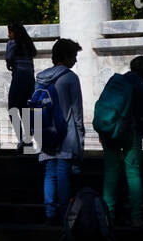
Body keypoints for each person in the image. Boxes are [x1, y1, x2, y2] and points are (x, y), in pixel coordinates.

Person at [99, 55, 143, 228]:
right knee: (133, 174)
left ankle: (108, 215)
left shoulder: (115, 81)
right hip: (131, 133)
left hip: (110, 131)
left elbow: (104, 105)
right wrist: (142, 133)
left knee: (111, 172)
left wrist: (104, 130)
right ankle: (136, 217)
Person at [35, 38, 85, 224]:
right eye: (74, 55)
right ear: (65, 56)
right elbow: (77, 111)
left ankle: (49, 212)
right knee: (63, 171)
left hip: (46, 130)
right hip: (66, 133)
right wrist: (80, 135)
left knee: (50, 172)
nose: (76, 60)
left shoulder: (40, 78)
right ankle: (65, 211)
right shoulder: (71, 78)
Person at [5, 23, 38, 152]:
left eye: (10, 32)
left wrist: (9, 63)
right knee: (25, 109)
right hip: (30, 79)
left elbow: (8, 58)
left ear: (14, 32)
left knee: (12, 108)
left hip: (19, 77)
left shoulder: (12, 43)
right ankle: (28, 140)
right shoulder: (28, 44)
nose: (8, 35)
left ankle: (21, 139)